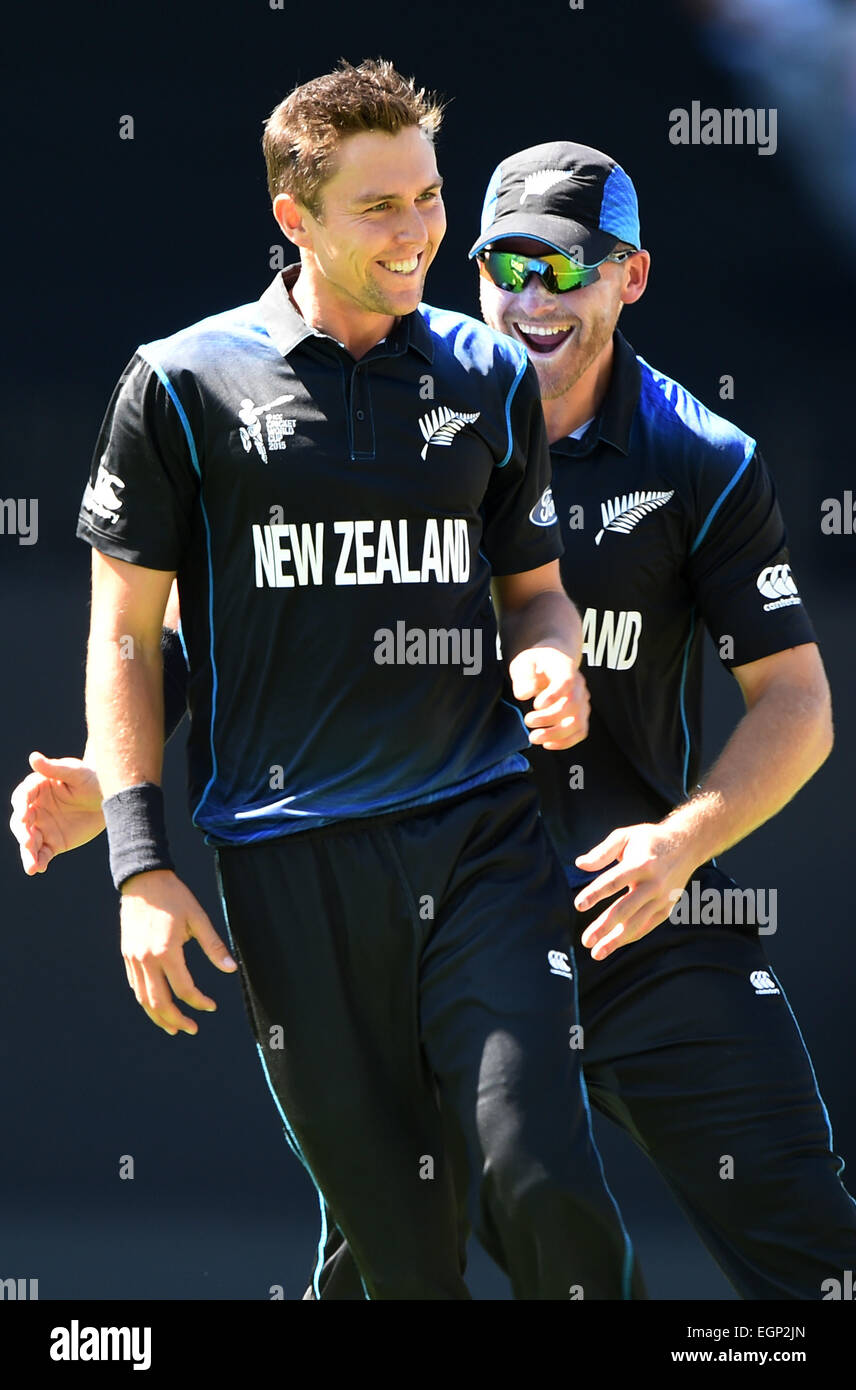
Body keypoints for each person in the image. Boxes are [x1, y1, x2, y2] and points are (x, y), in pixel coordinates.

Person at [12, 73, 644, 1301]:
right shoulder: (180, 385)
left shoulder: (491, 378)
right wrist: (138, 861)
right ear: (295, 220)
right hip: (286, 870)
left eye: (429, 197)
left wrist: (554, 652)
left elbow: (534, 589)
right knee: (398, 1257)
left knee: (539, 1172)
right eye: (379, 207)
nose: (418, 232)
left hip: (480, 841)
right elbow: (134, 640)